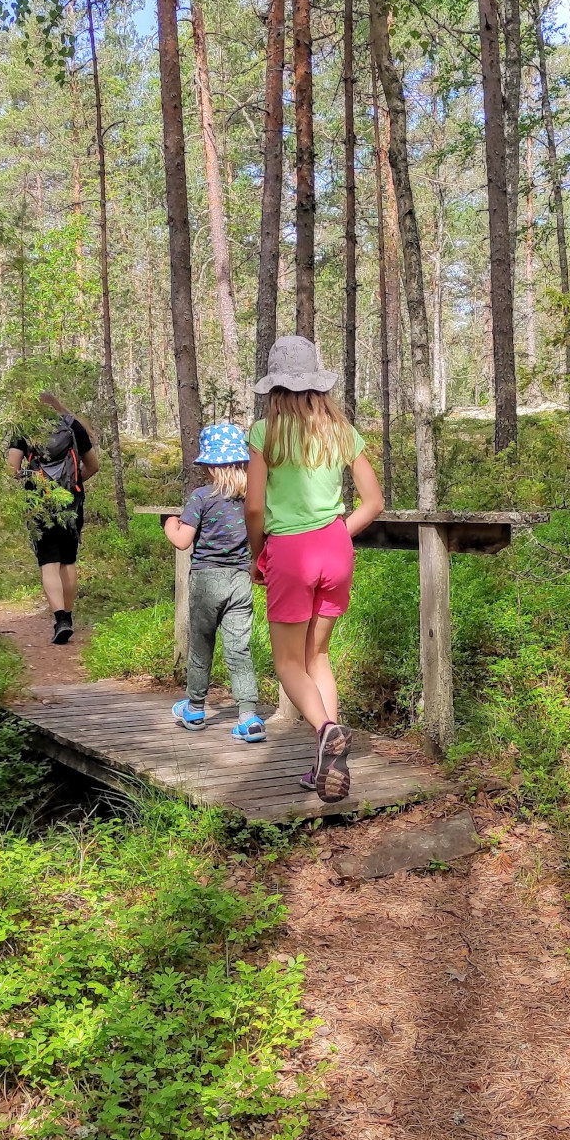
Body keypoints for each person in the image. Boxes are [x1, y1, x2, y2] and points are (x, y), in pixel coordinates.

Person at [246, 335, 384, 802]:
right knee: (317, 657)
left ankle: (326, 729)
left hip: (289, 550)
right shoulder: (341, 430)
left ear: (276, 388)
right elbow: (374, 502)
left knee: (287, 662)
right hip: (335, 547)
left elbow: (253, 508)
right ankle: (325, 761)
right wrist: (339, 535)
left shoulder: (265, 433)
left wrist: (256, 553)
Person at [163, 424, 267, 743]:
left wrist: (169, 524)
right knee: (239, 648)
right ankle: (248, 716)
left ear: (209, 465)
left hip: (206, 579)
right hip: (239, 580)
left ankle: (194, 710)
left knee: (201, 645)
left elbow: (183, 541)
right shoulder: (252, 499)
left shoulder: (201, 497)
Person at [5, 393, 98, 645]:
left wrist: (32, 482)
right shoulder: (72, 425)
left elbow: (12, 469)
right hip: (71, 501)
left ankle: (60, 620)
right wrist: (73, 483)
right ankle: (69, 615)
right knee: (68, 561)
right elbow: (93, 465)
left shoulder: (24, 428)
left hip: (38, 504)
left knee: (49, 563)